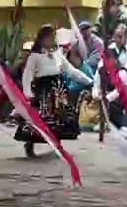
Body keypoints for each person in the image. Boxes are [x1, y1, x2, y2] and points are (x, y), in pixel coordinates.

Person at [15, 25, 93, 158]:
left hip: (58, 90)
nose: (52, 40)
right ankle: (30, 143)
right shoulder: (34, 56)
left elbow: (70, 70)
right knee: (39, 119)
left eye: (53, 37)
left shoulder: (58, 54)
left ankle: (58, 144)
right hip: (43, 90)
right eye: (49, 37)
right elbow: (27, 75)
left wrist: (88, 81)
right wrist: (27, 93)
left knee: (60, 117)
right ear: (42, 39)